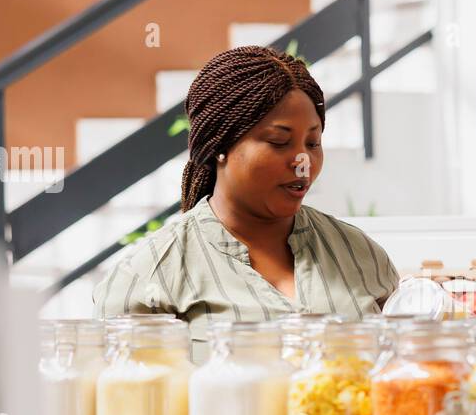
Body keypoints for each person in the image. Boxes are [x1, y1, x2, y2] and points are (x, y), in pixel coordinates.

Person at [94, 46, 400, 338]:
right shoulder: (149, 277)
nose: (303, 161)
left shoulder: (360, 255)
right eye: (279, 142)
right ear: (220, 146)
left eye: (313, 143)